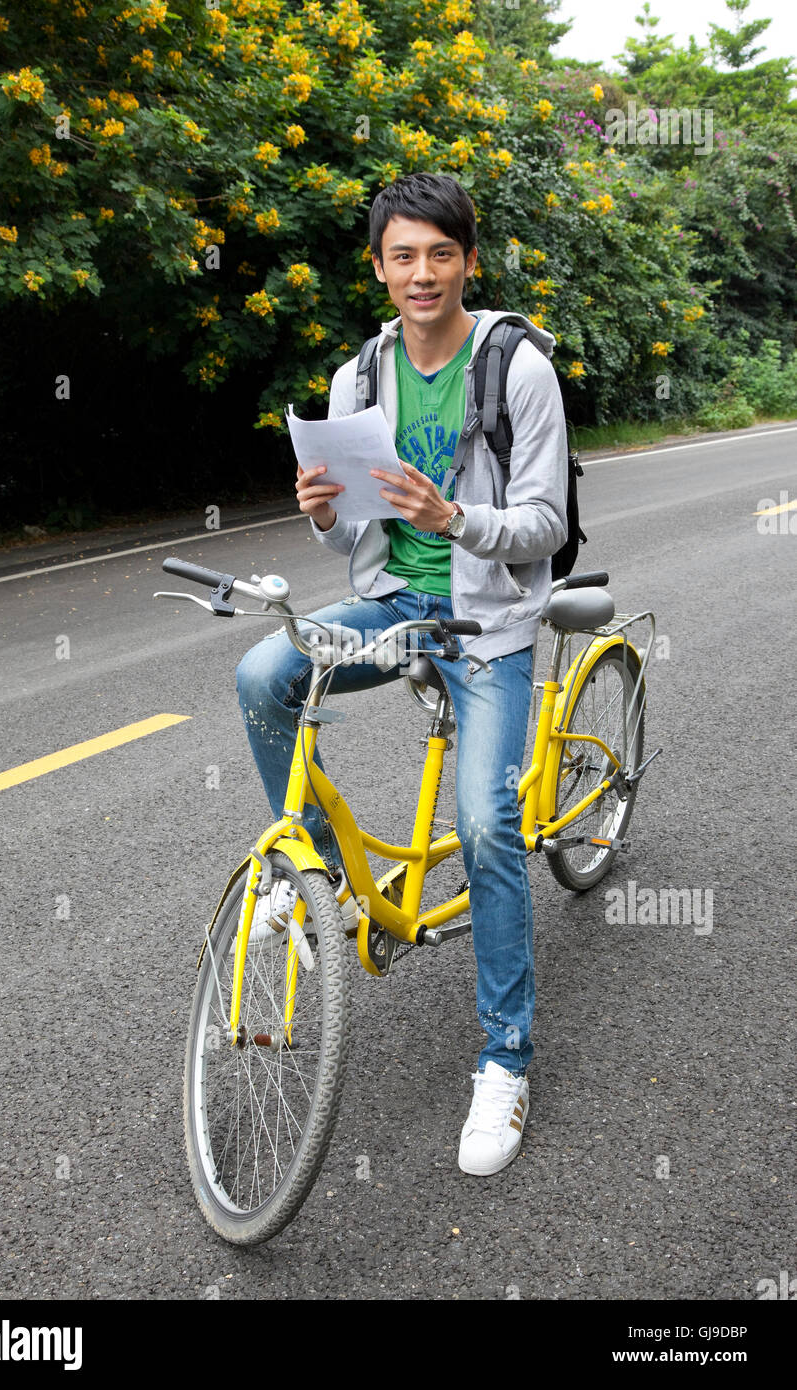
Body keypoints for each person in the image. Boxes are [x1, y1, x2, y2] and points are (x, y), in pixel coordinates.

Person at [235, 172, 568, 1176]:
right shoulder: (356, 379)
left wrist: (452, 518)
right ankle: (324, 883)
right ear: (378, 268)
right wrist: (325, 511)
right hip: (394, 608)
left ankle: (503, 1060)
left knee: (484, 826)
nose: (420, 274)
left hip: (487, 621)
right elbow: (352, 549)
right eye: (401, 256)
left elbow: (544, 525)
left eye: (438, 254)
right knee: (261, 674)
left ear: (467, 259)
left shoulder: (515, 369)